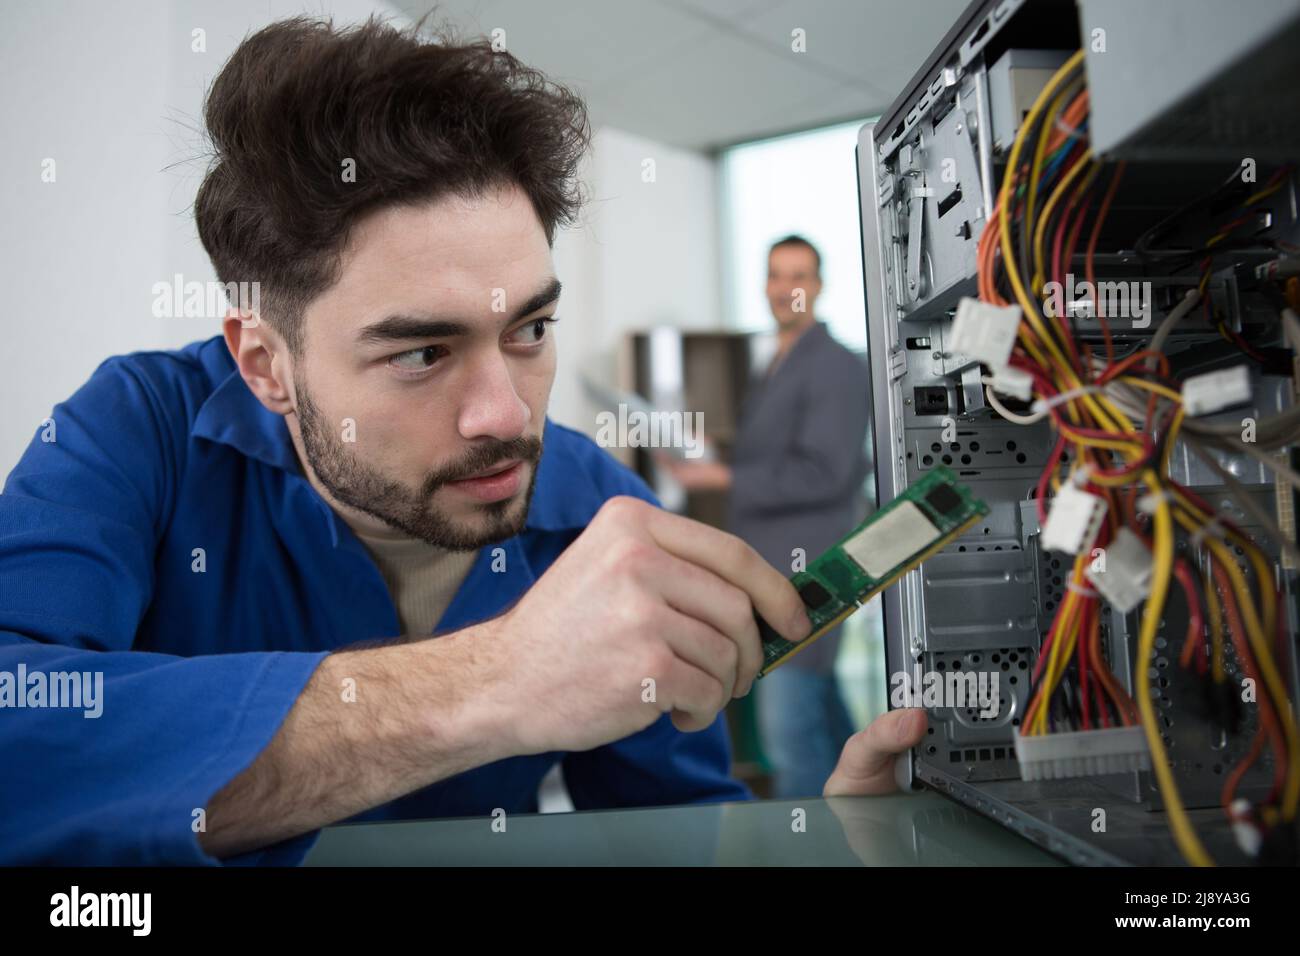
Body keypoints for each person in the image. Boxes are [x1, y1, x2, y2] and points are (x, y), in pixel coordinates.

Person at [0, 17, 922, 866]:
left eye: (528, 331)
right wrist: (496, 680)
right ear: (265, 364)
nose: (509, 416)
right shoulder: (136, 431)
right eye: (424, 352)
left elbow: (665, 841)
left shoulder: (606, 523)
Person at [668, 236, 872, 797]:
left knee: (791, 737)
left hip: (806, 570)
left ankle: (805, 848)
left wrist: (723, 477)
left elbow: (823, 473)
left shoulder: (835, 365)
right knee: (822, 714)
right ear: (764, 284)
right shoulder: (777, 361)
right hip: (773, 563)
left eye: (799, 276)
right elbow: (777, 454)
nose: (787, 289)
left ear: (820, 286)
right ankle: (879, 815)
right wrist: (716, 454)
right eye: (777, 276)